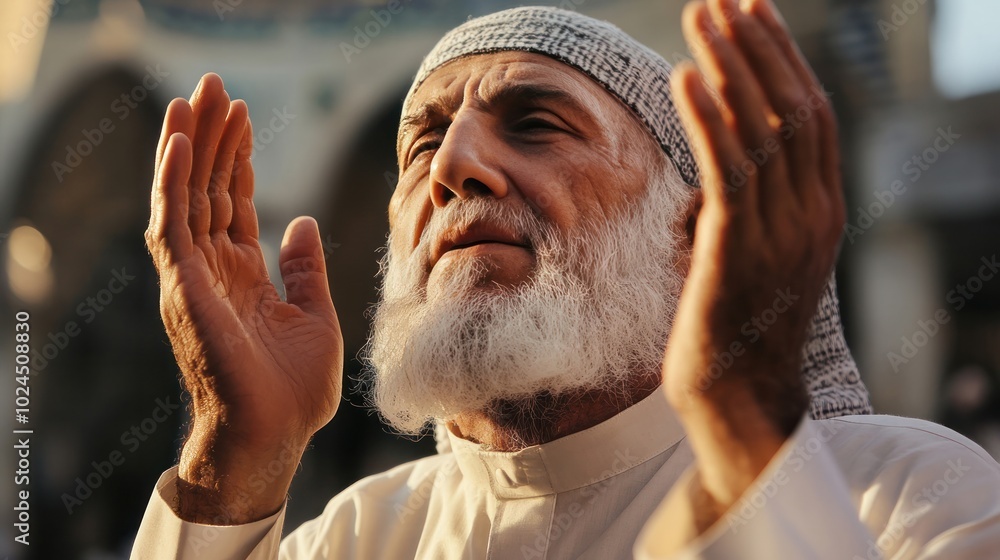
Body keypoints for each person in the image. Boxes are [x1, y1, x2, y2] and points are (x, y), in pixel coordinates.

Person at [131, 1, 1000, 558]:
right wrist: (234, 460)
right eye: (424, 145)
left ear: (691, 238)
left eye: (537, 124)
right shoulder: (358, 537)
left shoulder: (908, 498)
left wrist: (745, 425)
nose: (457, 167)